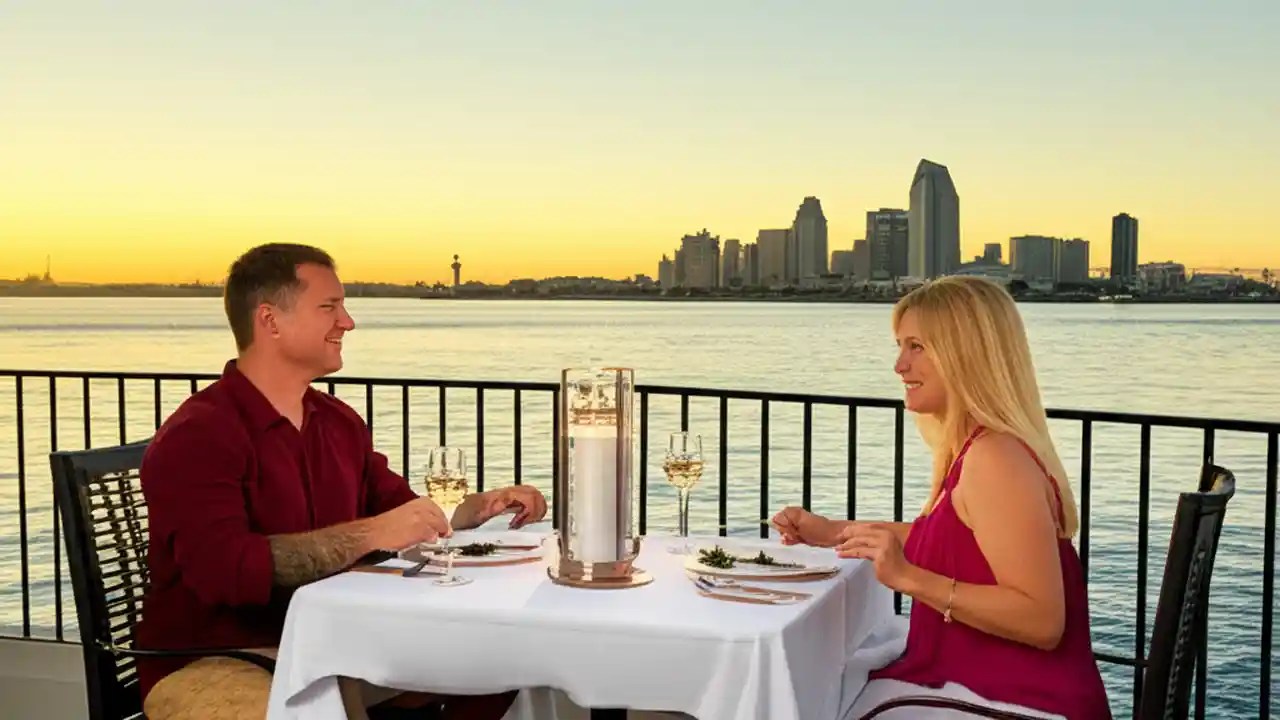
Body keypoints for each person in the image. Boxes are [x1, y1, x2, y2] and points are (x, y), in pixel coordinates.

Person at [137, 243, 546, 720]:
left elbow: (401, 510)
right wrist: (372, 534)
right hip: (213, 660)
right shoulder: (199, 435)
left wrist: (481, 506)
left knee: (497, 663)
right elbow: (227, 571)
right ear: (269, 321)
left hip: (332, 638)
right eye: (329, 307)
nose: (347, 322)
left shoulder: (336, 422)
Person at [773, 276, 1111, 719]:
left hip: (1020, 701)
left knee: (807, 696)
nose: (899, 365)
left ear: (965, 353)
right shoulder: (978, 447)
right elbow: (954, 538)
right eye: (900, 345)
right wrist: (835, 530)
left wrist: (909, 578)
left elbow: (1043, 621)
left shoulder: (996, 457)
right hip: (989, 683)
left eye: (916, 346)